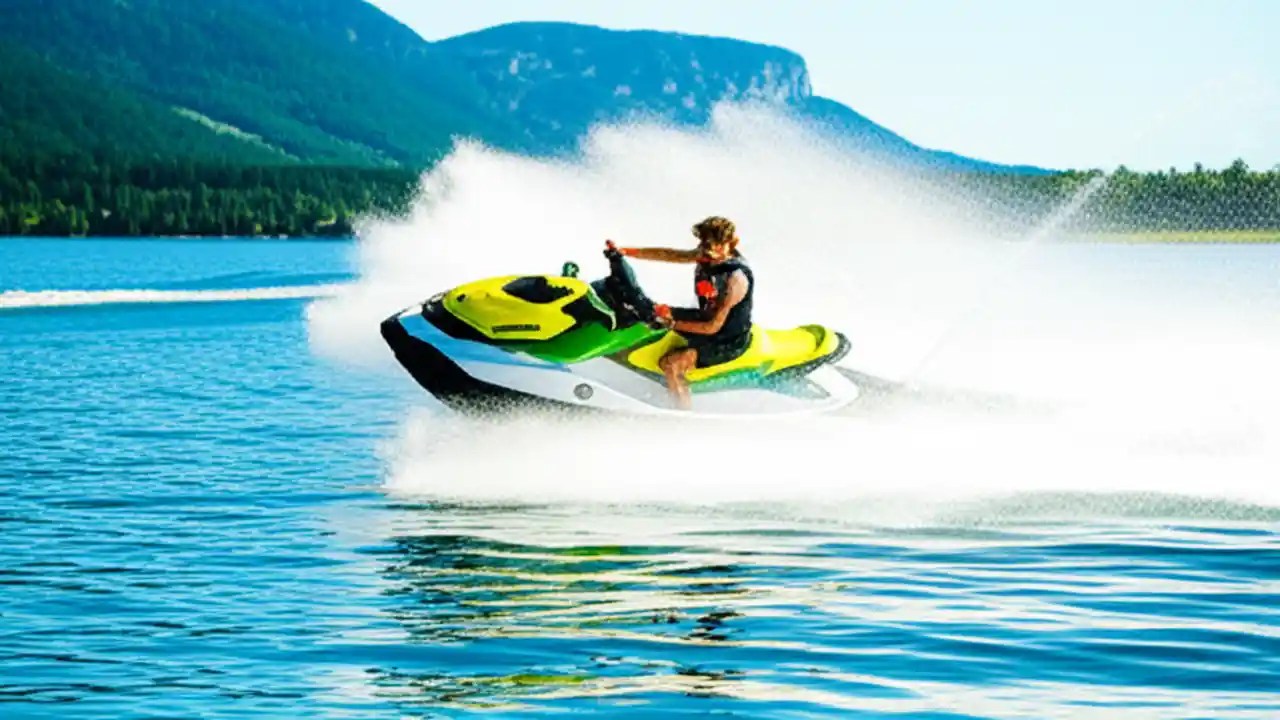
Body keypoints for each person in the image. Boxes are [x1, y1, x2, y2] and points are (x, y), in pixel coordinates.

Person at [613, 216, 754, 410]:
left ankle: (684, 416)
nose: (709, 251)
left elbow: (712, 327)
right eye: (705, 245)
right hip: (703, 317)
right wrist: (626, 252)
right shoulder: (706, 254)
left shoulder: (736, 280)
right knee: (646, 312)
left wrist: (672, 324)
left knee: (671, 365)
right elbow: (669, 255)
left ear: (732, 243)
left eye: (716, 246)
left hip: (726, 339)